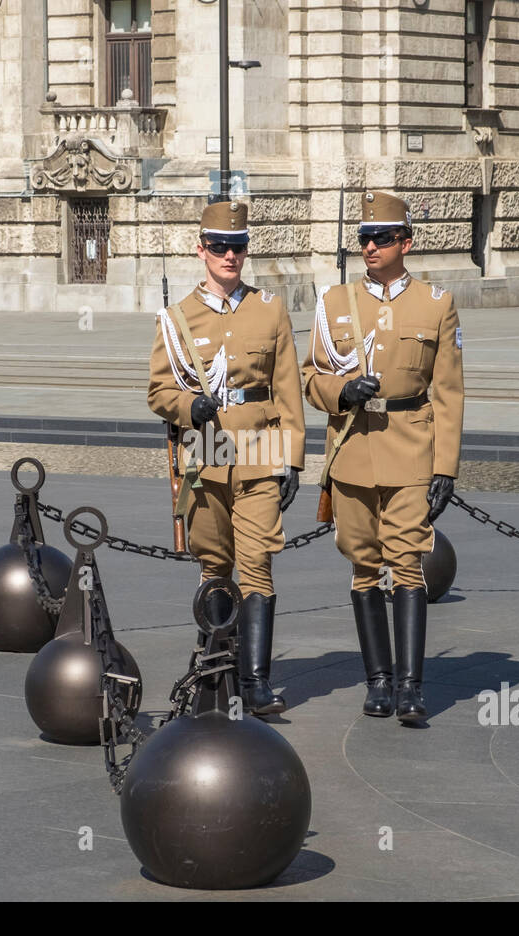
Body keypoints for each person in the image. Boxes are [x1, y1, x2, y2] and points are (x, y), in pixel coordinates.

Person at [301, 190, 465, 724]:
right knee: (362, 563)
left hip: (411, 446)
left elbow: (449, 391)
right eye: (364, 238)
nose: (370, 246)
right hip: (352, 449)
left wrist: (446, 465)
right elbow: (309, 378)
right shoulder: (333, 303)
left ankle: (412, 687)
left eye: (382, 237)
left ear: (406, 243)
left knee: (409, 563)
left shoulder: (436, 304)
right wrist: (340, 392)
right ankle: (378, 681)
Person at [147, 200, 306, 716]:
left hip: (260, 450)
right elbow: (157, 391)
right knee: (214, 564)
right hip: (206, 449)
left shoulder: (270, 309)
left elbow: (287, 390)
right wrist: (188, 406)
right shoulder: (177, 318)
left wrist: (293, 459)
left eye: (237, 246)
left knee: (257, 561)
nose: (229, 255)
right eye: (219, 247)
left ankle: (256, 681)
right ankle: (219, 668)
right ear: (201, 249)